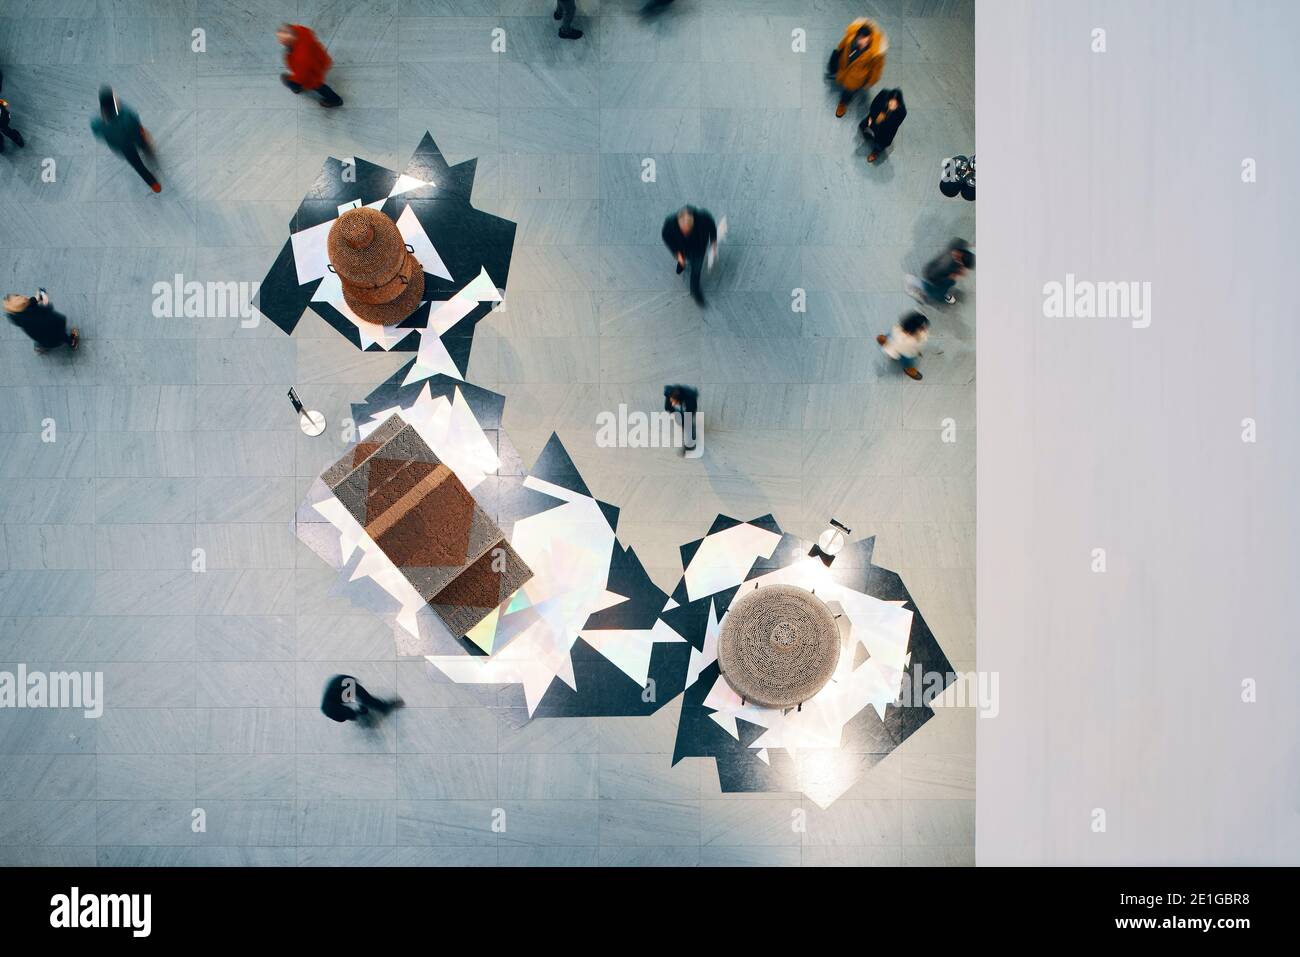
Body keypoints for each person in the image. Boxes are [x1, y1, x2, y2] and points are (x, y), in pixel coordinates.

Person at [90, 86, 161, 193]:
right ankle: (148, 152)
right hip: (135, 137)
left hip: (123, 147)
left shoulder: (98, 124)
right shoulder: (125, 112)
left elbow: (97, 132)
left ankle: (153, 184)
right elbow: (136, 121)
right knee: (143, 144)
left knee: (138, 165)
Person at [826, 18, 888, 118]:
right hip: (844, 67)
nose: (862, 42)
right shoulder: (851, 38)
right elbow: (841, 46)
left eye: (866, 40)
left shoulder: (875, 54)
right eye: (860, 38)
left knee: (848, 92)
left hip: (856, 78)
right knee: (840, 78)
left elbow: (877, 70)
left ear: (870, 39)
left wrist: (870, 82)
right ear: (858, 35)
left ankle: (843, 104)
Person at [661, 206, 718, 307]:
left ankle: (695, 291)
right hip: (682, 247)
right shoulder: (670, 224)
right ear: (678, 222)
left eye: (688, 229)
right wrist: (677, 253)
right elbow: (666, 237)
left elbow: (711, 226)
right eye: (683, 229)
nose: (686, 231)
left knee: (696, 270)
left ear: (693, 221)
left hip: (698, 248)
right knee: (682, 257)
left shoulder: (703, 218)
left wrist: (713, 241)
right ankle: (681, 263)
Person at [277, 24, 343, 107]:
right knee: (314, 84)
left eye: (283, 41)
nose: (280, 41)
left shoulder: (301, 56)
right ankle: (297, 86)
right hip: (318, 60)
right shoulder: (301, 31)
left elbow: (302, 75)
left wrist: (290, 80)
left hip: (311, 73)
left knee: (317, 86)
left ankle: (335, 100)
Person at [5, 289, 79, 354]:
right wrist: (45, 300)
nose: (23, 297)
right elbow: (47, 311)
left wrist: (37, 298)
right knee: (60, 335)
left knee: (42, 340)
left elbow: (30, 305)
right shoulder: (35, 314)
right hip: (51, 333)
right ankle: (72, 342)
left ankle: (40, 348)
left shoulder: (15, 315)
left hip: (37, 335)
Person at [906, 240, 975, 305]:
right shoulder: (949, 267)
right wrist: (956, 275)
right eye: (964, 266)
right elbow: (948, 279)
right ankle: (917, 285)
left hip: (932, 267)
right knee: (939, 294)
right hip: (932, 276)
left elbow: (964, 244)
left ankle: (919, 286)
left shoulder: (958, 245)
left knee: (946, 289)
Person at [320, 674, 402, 725]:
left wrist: (360, 714)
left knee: (360, 711)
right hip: (342, 680)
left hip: (342, 684)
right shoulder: (329, 705)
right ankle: (383, 708)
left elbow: (348, 713)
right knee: (365, 701)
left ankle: (382, 709)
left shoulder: (331, 709)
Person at [878, 312, 929, 381]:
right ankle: (908, 369)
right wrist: (916, 350)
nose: (925, 329)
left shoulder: (899, 328)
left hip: (897, 340)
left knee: (891, 337)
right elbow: (911, 349)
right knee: (907, 361)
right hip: (905, 352)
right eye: (922, 328)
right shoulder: (908, 342)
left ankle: (883, 339)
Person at [859, 88, 905, 163]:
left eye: (895, 104)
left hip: (886, 129)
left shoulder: (902, 112)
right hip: (874, 118)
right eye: (891, 103)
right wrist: (871, 117)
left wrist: (887, 115)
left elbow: (893, 125)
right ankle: (868, 134)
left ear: (899, 104)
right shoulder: (883, 94)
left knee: (881, 143)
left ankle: (875, 153)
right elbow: (874, 105)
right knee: (863, 126)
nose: (892, 106)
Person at [664, 384, 700, 453]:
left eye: (673, 400)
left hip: (690, 402)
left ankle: (691, 441)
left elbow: (689, 414)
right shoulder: (669, 392)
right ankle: (679, 414)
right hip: (678, 396)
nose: (672, 401)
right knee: (667, 407)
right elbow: (668, 404)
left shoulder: (690, 397)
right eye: (671, 398)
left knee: (686, 422)